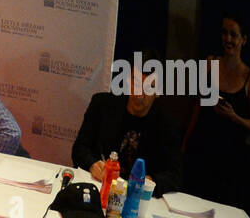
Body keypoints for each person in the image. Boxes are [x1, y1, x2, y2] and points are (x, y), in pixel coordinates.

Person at [71, 55, 183, 196]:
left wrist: (149, 181)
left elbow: (174, 176)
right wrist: (92, 164)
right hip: (98, 188)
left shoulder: (168, 125)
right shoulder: (102, 105)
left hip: (137, 198)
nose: (139, 95)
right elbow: (79, 148)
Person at [182, 14, 250, 204]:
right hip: (200, 146)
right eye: (225, 33)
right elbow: (198, 105)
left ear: (244, 40)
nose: (228, 39)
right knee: (187, 200)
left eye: (234, 35)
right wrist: (185, 143)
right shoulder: (209, 63)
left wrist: (234, 117)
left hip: (228, 158)